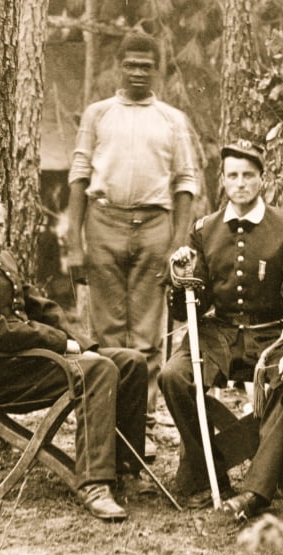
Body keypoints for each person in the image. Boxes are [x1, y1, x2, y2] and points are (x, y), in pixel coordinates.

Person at [0, 190, 151, 522]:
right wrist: (59, 344)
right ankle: (95, 484)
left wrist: (83, 344)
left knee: (131, 362)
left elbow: (41, 307)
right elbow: (0, 334)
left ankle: (127, 469)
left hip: (32, 362)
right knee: (97, 372)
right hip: (4, 380)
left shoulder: (4, 260)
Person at [159, 140, 283, 510]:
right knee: (173, 376)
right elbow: (191, 304)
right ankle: (211, 475)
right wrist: (180, 275)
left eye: (249, 176)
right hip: (217, 334)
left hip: (271, 333)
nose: (240, 184)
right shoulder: (204, 230)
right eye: (232, 176)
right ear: (222, 181)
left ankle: (257, 490)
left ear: (262, 180)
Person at [66, 32, 199, 460]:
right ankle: (106, 428)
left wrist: (178, 244)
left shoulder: (172, 119)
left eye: (146, 65)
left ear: (156, 69)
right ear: (118, 66)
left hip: (155, 228)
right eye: (131, 64)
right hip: (104, 224)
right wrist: (74, 241)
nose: (138, 72)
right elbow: (80, 174)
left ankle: (136, 436)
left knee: (145, 337)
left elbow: (185, 183)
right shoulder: (98, 114)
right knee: (106, 336)